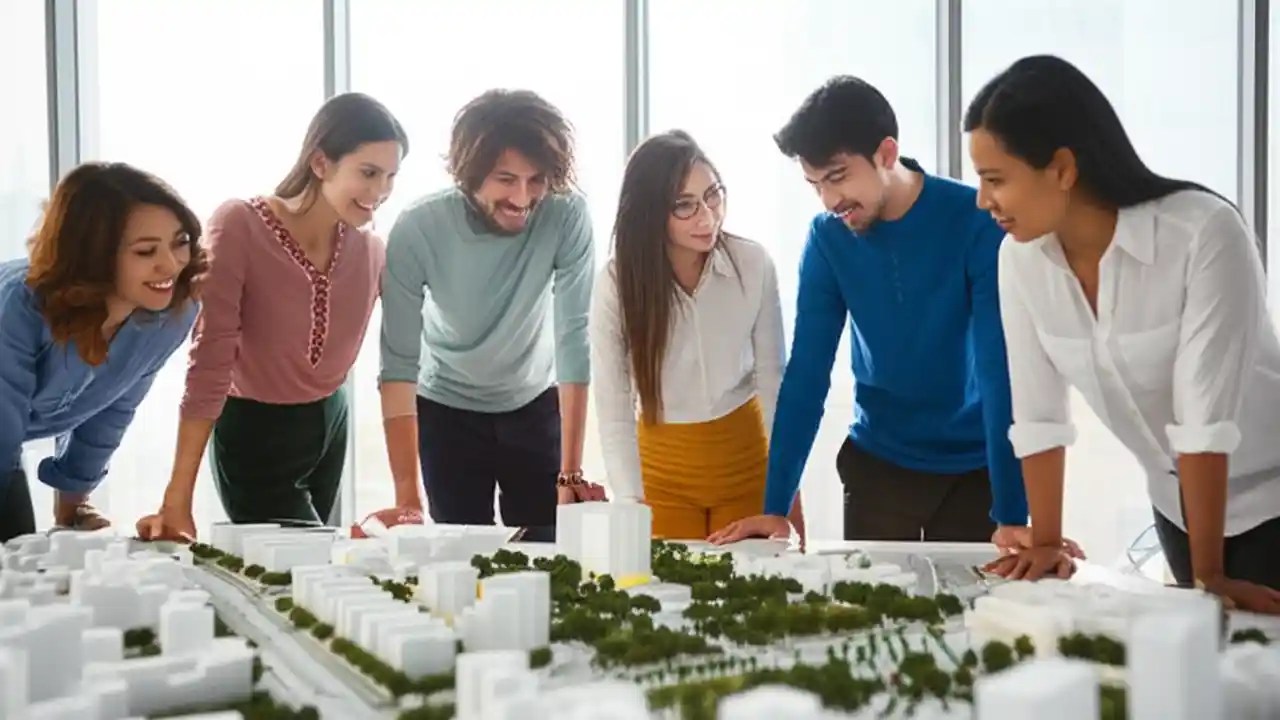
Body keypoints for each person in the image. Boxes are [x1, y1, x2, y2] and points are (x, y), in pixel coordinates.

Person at [967, 55, 1280, 613]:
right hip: (1180, 512)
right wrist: (1044, 544)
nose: (983, 201)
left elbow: (1203, 422)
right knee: (1200, 686)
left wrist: (1209, 577)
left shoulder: (1203, 232)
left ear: (1062, 168)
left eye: (996, 180)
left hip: (1271, 499)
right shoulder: (1019, 262)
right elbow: (1038, 415)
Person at [712, 75, 1042, 549]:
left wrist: (1012, 512)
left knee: (974, 617)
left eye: (838, 176)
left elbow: (998, 371)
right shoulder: (827, 238)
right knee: (873, 618)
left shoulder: (975, 223)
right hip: (879, 467)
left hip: (976, 471)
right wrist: (774, 508)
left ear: (886, 154)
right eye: (815, 184)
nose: (829, 200)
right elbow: (807, 374)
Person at [137, 93, 408, 540]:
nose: (380, 191)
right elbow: (210, 359)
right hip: (255, 431)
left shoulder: (371, 250)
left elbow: (405, 357)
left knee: (312, 577)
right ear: (321, 163)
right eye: (368, 172)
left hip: (330, 422)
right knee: (307, 559)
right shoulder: (240, 224)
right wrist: (177, 498)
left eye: (391, 177)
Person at [379, 89, 594, 542]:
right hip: (446, 411)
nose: (523, 197)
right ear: (468, 174)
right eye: (505, 179)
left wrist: (570, 473)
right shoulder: (419, 228)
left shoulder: (566, 214)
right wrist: (406, 494)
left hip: (534, 405)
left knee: (546, 556)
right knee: (461, 558)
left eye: (536, 179)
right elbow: (398, 363)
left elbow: (574, 337)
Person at [590, 130, 804, 540]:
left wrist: (786, 491)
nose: (707, 217)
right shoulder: (616, 284)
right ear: (650, 212)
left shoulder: (753, 263)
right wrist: (630, 506)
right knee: (665, 594)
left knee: (751, 592)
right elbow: (613, 403)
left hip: (746, 460)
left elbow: (774, 380)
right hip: (661, 472)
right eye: (685, 206)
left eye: (713, 195)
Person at [0, 162, 202, 542]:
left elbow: (113, 408)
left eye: (180, 242)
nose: (171, 265)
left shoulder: (172, 313)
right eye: (146, 251)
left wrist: (73, 503)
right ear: (95, 256)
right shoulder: (18, 307)